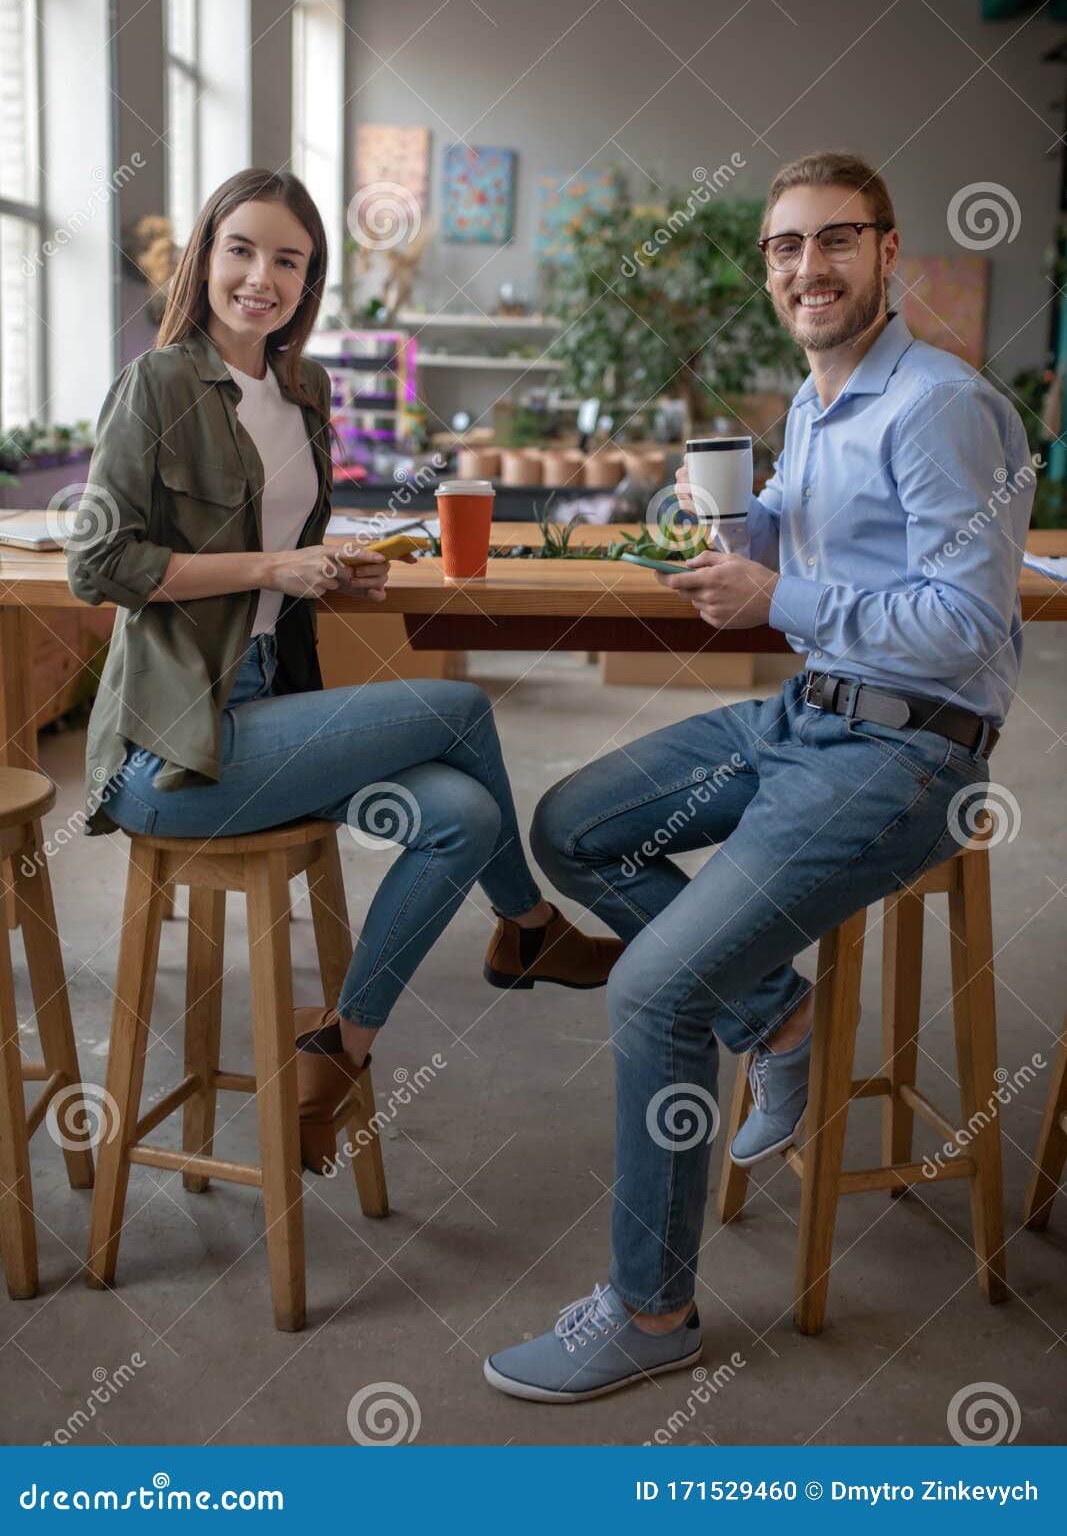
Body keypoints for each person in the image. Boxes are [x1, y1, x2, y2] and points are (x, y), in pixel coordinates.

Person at [484, 150, 1033, 1403]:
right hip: (805, 715)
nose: (806, 267)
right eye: (785, 247)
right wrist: (732, 524)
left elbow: (963, 623)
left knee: (651, 995)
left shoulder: (937, 406)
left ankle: (649, 1310)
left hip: (907, 752)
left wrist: (776, 592)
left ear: (887, 254)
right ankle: (775, 1017)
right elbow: (789, 522)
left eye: (833, 241)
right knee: (574, 828)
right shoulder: (816, 400)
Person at [68, 167, 620, 1174]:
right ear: (207, 254)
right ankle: (528, 924)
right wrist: (272, 566)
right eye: (242, 249)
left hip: (273, 706)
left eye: (289, 259)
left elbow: (281, 562)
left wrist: (321, 573)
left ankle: (337, 1046)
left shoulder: (303, 392)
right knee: (458, 707)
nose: (260, 277)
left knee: (466, 813)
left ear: (309, 279)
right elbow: (98, 563)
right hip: (179, 749)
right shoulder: (156, 386)